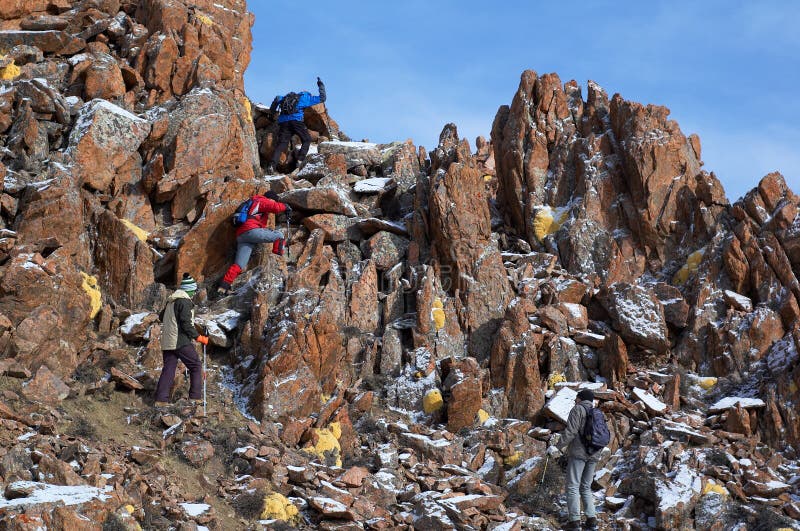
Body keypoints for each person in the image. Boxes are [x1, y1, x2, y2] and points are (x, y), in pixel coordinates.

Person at [217, 191, 292, 295]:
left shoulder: (252, 202)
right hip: (251, 231)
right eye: (274, 200)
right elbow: (275, 207)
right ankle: (277, 260)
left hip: (242, 236)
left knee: (239, 265)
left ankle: (223, 287)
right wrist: (286, 206)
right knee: (279, 235)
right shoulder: (261, 200)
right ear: (271, 198)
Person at [549, 388, 601, 531]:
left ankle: (575, 521)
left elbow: (571, 432)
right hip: (594, 454)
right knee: (585, 486)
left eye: (576, 397)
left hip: (579, 453)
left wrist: (558, 447)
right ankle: (592, 520)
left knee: (572, 486)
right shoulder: (597, 412)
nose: (575, 400)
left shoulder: (577, 409)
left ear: (580, 398)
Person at [155, 273, 209, 407]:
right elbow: (186, 324)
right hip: (179, 340)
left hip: (167, 341)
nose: (194, 293)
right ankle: (195, 398)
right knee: (195, 365)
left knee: (169, 369)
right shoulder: (184, 302)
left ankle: (161, 400)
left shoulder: (171, 301)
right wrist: (199, 337)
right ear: (189, 290)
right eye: (193, 290)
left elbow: (162, 317)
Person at [266, 77, 326, 173]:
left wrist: (271, 113)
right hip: (296, 122)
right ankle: (300, 160)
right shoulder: (305, 98)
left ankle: (272, 165)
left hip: (284, 123)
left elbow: (277, 98)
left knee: (281, 145)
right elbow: (323, 98)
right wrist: (320, 85)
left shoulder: (286, 97)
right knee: (307, 139)